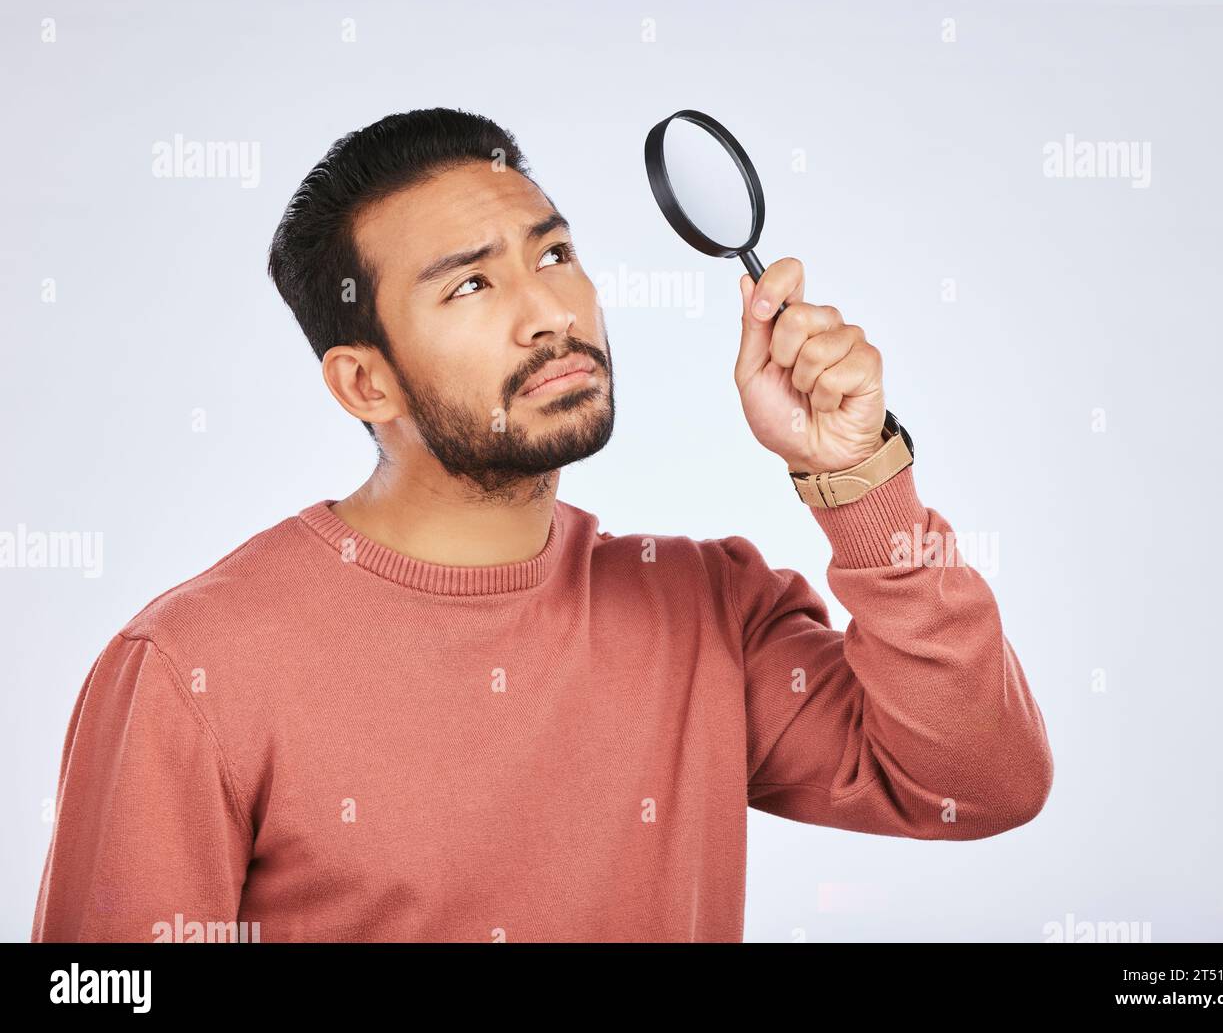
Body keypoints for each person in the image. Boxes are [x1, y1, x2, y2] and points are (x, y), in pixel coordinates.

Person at [31, 107, 1052, 943]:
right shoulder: (190, 664)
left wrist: (856, 477)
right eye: (471, 283)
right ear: (363, 379)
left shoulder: (709, 610)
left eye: (554, 252)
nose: (548, 311)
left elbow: (977, 782)